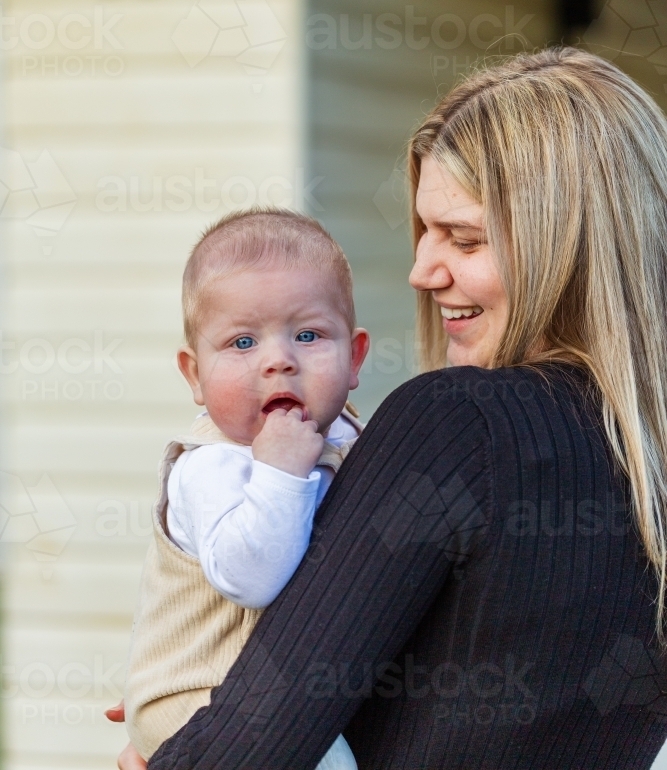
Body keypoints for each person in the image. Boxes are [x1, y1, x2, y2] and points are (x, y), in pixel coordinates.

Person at [120, 47, 667, 769]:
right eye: (424, 232)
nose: (421, 270)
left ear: (563, 245)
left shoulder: (458, 427)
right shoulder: (641, 455)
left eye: (463, 238)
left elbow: (250, 747)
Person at [115, 209, 370, 768]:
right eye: (241, 342)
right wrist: (280, 474)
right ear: (194, 376)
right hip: (190, 690)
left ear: (354, 358)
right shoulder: (208, 468)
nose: (279, 360)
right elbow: (254, 580)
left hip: (274, 688)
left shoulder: (353, 438)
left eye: (308, 335)